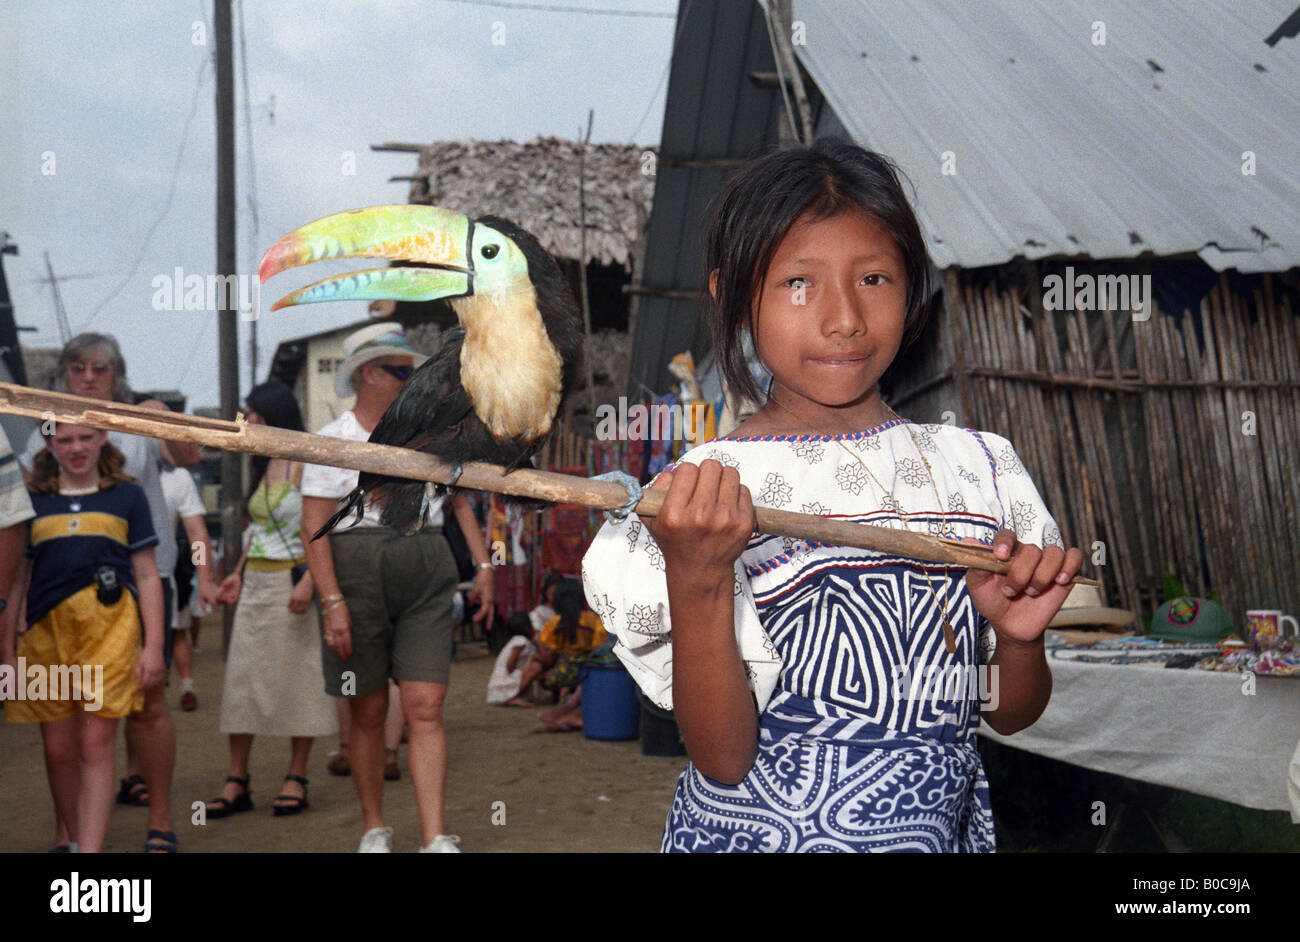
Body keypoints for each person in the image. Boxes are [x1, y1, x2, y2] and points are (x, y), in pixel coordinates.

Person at [582, 140, 1084, 853]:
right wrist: (697, 577)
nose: (844, 317)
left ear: (913, 285)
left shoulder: (980, 469)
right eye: (798, 283)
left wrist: (1016, 638)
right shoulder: (702, 494)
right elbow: (722, 758)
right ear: (733, 296)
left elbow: (1010, 716)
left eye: (874, 277)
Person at [300, 322, 495, 853]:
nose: (414, 380)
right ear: (368, 373)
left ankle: (434, 835)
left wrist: (483, 567)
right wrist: (331, 601)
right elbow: (313, 525)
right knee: (365, 709)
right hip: (356, 568)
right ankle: (374, 828)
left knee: (426, 705)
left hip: (426, 561)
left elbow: (460, 502)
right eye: (402, 371)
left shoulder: (431, 436)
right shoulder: (332, 440)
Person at [20, 332, 193, 853]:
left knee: (148, 702)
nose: (89, 378)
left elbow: (189, 456)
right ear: (65, 376)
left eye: (100, 369)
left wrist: (169, 419)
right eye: (78, 369)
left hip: (143, 578)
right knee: (67, 724)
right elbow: (29, 509)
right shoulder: (43, 430)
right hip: (60, 591)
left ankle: (159, 819)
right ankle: (67, 831)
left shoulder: (138, 420)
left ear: (115, 375)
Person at [5, 424, 166, 853]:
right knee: (58, 751)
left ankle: (88, 853)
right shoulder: (31, 502)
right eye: (64, 440)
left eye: (85, 438)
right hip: (44, 635)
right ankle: (73, 838)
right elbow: (17, 580)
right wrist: (6, 650)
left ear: (102, 440)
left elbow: (148, 574)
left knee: (96, 744)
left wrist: (152, 647)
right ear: (48, 444)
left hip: (110, 631)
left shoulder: (128, 496)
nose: (76, 448)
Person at [206, 380, 338, 819]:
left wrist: (310, 584)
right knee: (243, 679)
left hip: (291, 583)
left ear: (272, 415)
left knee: (298, 679)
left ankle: (297, 774)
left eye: (253, 415)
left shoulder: (308, 458)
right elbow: (258, 529)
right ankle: (236, 777)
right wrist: (236, 575)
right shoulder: (262, 463)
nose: (248, 422)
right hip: (256, 585)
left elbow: (327, 525)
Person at [159, 461, 219, 710]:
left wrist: (204, 579)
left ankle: (185, 686)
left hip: (169, 576)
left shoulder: (178, 476)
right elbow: (197, 535)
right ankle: (185, 686)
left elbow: (197, 535)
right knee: (177, 634)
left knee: (177, 633)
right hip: (163, 576)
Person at [486, 613, 540, 707]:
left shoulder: (520, 641)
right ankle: (514, 698)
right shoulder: (521, 641)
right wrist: (517, 674)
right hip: (506, 678)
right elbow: (510, 663)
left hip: (507, 678)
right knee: (535, 668)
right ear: (527, 628)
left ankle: (515, 695)